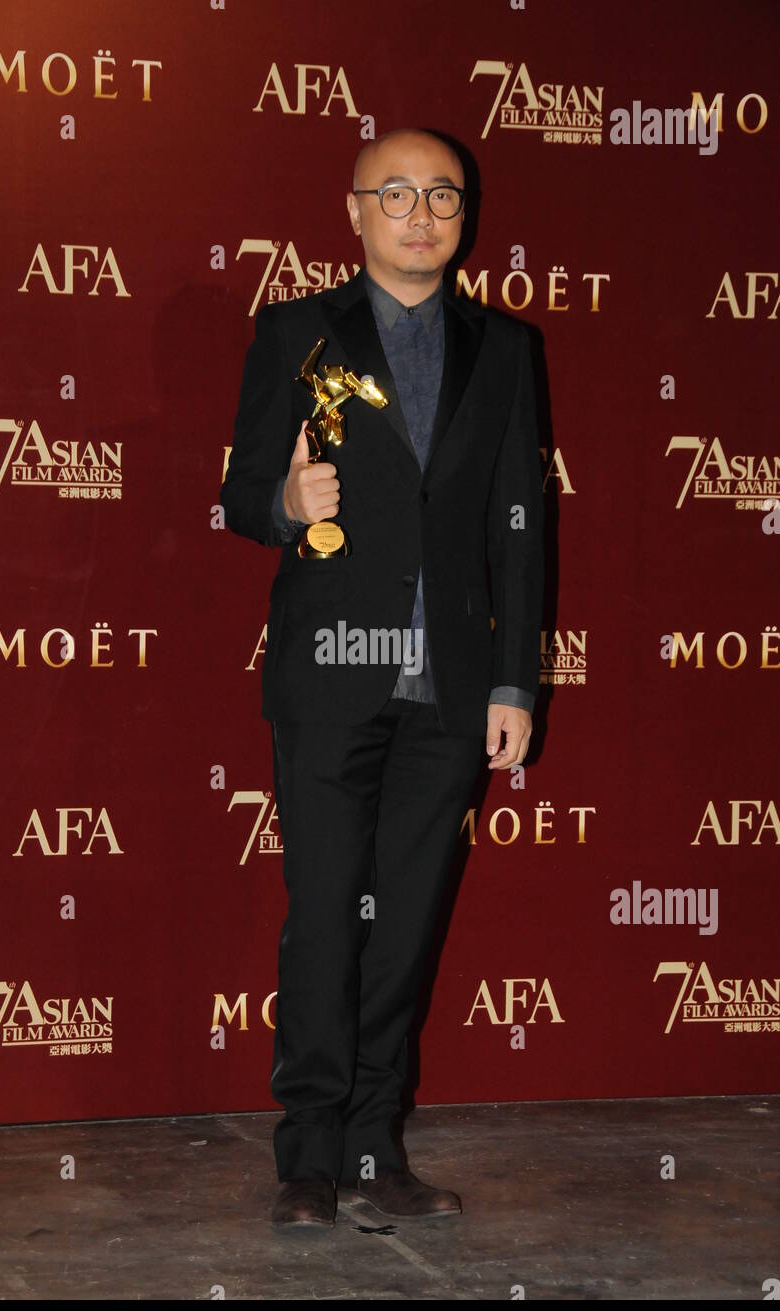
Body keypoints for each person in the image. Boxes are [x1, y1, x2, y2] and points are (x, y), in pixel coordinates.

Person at [221, 127, 544, 1227]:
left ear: (465, 215)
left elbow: (522, 527)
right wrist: (282, 506)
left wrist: (513, 683)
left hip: (448, 691)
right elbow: (240, 490)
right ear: (353, 211)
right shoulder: (295, 329)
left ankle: (374, 1152)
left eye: (441, 195)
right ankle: (307, 1158)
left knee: (402, 923)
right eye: (394, 193)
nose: (420, 214)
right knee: (324, 918)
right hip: (328, 680)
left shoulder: (505, 348)